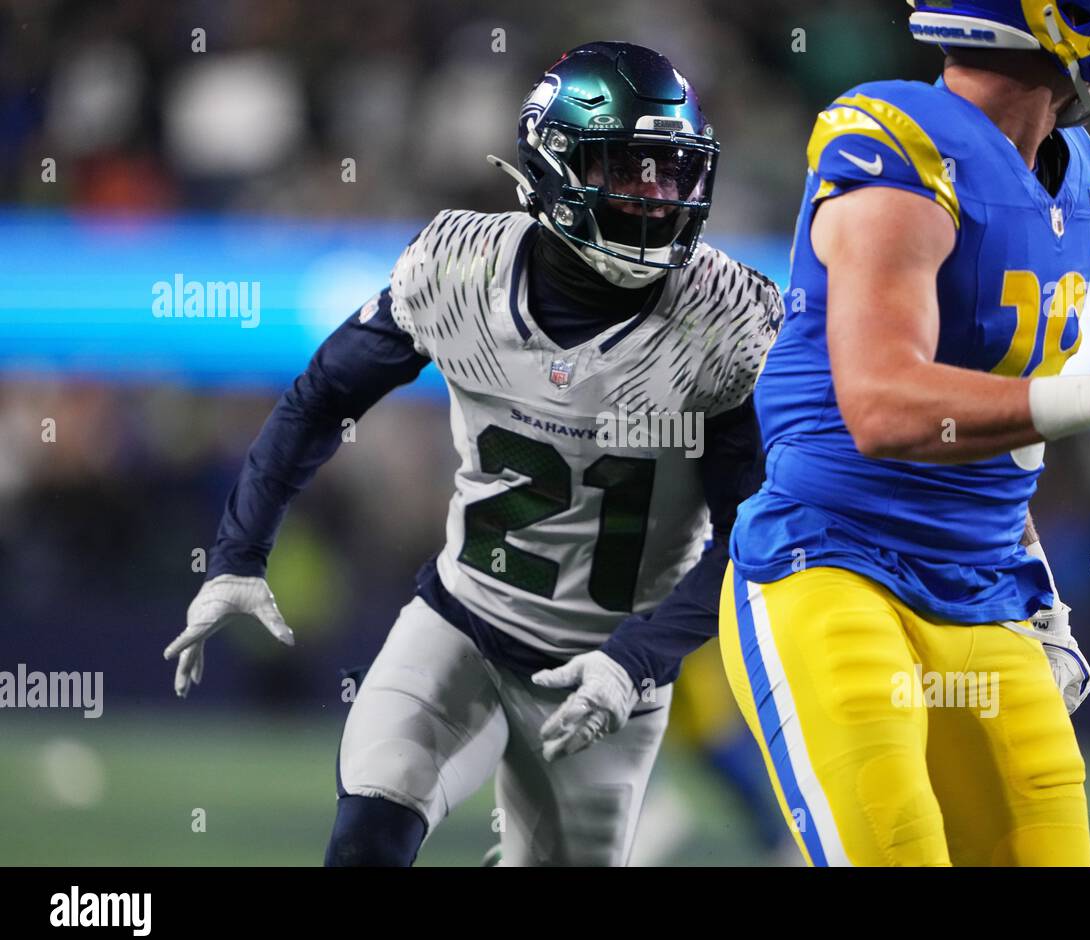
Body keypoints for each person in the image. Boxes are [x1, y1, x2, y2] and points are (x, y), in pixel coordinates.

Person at [162, 41, 781, 866]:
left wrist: (636, 660)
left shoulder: (724, 320)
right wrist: (238, 556)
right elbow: (320, 398)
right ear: (557, 166)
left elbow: (760, 533)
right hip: (461, 625)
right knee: (368, 833)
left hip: (604, 677)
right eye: (631, 169)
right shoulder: (461, 269)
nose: (658, 195)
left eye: (673, 172)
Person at [718, 0, 1090, 866]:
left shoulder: (1076, 172)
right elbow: (881, 407)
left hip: (986, 590)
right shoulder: (898, 140)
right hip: (832, 567)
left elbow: (995, 432)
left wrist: (1045, 594)